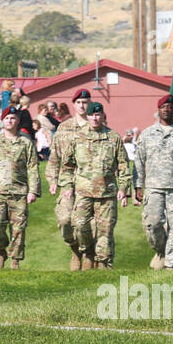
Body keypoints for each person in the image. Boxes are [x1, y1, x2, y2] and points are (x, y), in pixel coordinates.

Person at [59, 101, 131, 269]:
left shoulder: (113, 137)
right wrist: (68, 186)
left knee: (105, 230)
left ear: (103, 116)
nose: (95, 118)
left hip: (107, 193)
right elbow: (67, 166)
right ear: (88, 116)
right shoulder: (77, 137)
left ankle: (104, 263)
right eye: (92, 115)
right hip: (84, 191)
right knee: (80, 225)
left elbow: (123, 165)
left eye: (98, 115)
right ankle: (87, 252)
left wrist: (123, 188)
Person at [133, 95, 173, 270]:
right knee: (153, 223)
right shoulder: (147, 134)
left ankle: (170, 263)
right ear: (158, 110)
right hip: (154, 187)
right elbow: (139, 161)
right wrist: (138, 185)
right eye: (163, 107)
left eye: (170, 107)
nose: (167, 110)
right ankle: (161, 250)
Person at [0, 107, 39, 270]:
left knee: (18, 228)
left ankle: (15, 260)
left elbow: (33, 167)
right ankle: (1, 251)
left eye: (13, 118)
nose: (10, 121)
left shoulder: (26, 143)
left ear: (18, 120)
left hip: (19, 192)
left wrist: (33, 191)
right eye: (7, 118)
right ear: (2, 121)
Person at [47, 88, 89, 268]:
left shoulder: (95, 125)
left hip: (89, 182)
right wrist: (52, 180)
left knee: (86, 223)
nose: (82, 105)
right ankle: (74, 249)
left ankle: (88, 252)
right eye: (79, 102)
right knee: (65, 220)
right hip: (67, 182)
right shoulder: (63, 127)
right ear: (74, 105)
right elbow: (54, 156)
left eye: (85, 102)